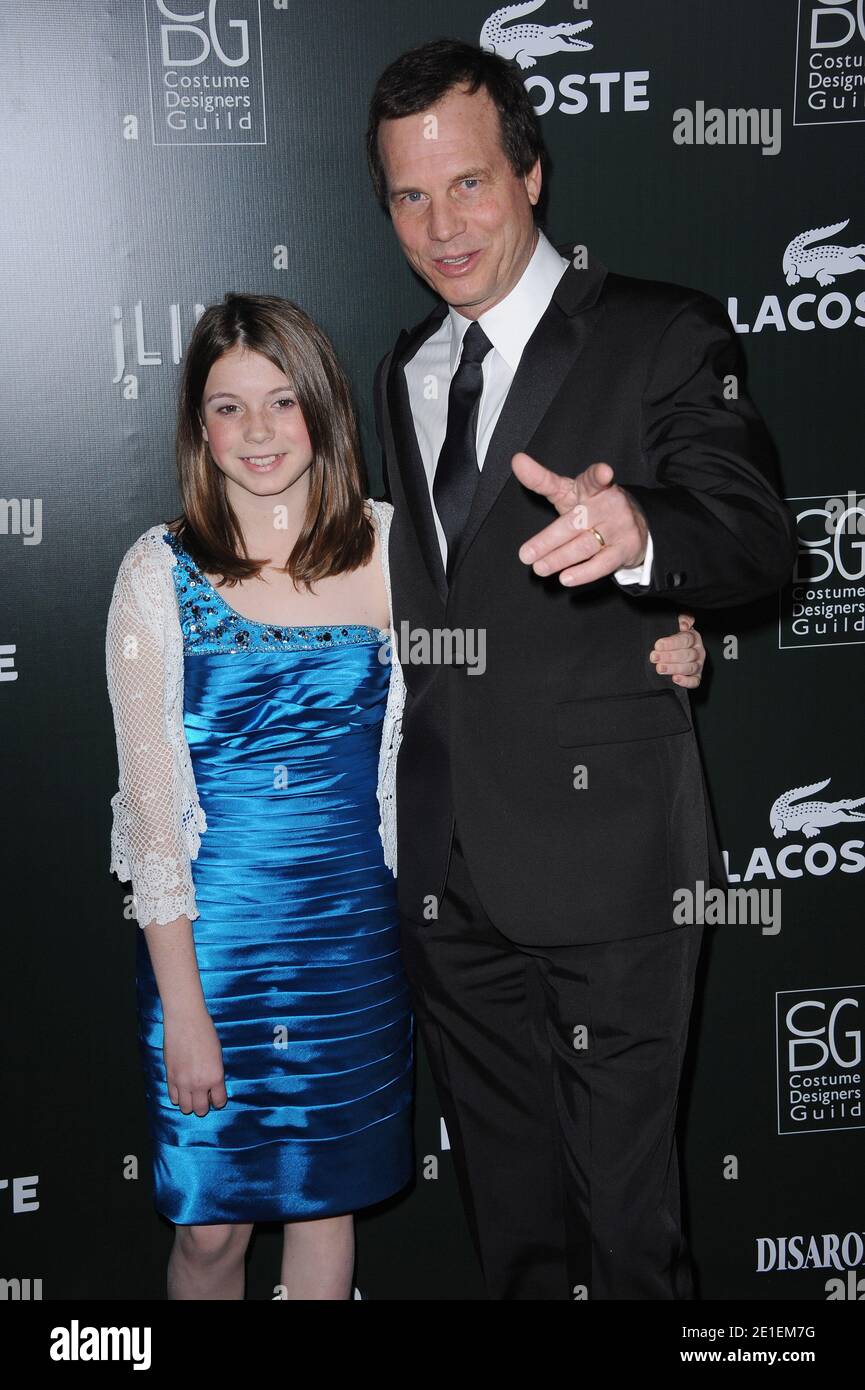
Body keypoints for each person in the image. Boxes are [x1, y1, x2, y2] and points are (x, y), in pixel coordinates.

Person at [106, 291, 707, 1301]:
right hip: (214, 952)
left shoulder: (391, 545)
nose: (258, 431)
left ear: (324, 412)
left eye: (283, 401)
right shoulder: (156, 572)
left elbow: (522, 634)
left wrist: (668, 639)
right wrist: (185, 1009)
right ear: (197, 428)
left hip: (359, 946)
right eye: (227, 406)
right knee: (211, 1234)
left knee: (326, 1215)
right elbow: (150, 815)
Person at [366, 40, 798, 1299]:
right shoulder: (404, 369)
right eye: (407, 195)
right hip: (448, 875)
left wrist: (642, 534)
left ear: (532, 174)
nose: (441, 225)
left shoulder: (663, 330)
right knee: (514, 1239)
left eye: (468, 184)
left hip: (611, 867)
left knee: (626, 1237)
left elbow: (758, 533)